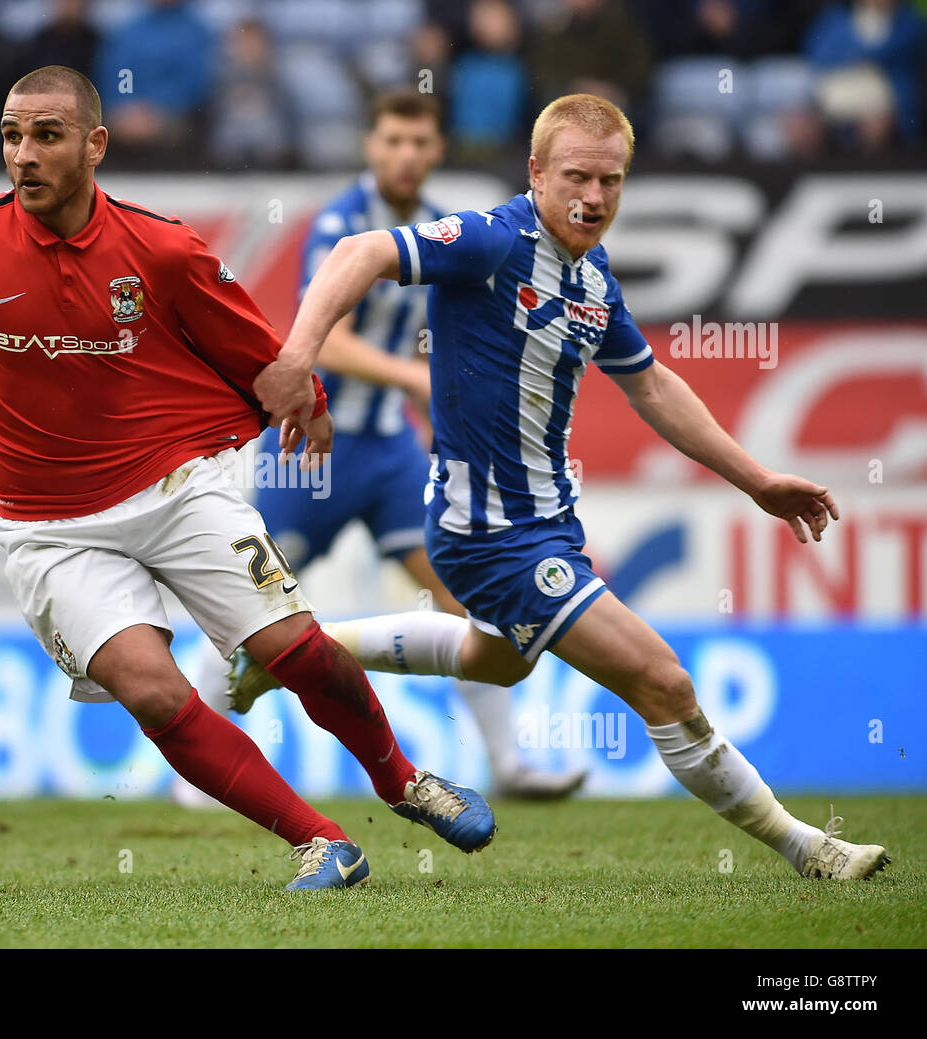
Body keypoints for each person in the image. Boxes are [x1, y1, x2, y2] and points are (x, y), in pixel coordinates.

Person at [251, 93, 889, 881]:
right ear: (536, 174)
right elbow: (358, 253)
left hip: (547, 525)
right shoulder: (491, 239)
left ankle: (302, 649)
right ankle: (808, 848)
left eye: (611, 181)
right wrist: (296, 358)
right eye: (578, 177)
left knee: (502, 659)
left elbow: (651, 385)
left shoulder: (592, 278)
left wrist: (757, 480)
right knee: (664, 680)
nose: (594, 197)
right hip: (489, 534)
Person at [0, 65, 496, 891]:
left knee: (296, 650)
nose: (24, 155)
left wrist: (309, 396)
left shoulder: (161, 246)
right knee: (152, 692)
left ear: (95, 144)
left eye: (46, 135)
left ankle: (403, 778)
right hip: (48, 527)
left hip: (176, 488)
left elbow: (251, 347)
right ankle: (321, 841)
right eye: (11, 135)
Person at [202, 88, 585, 802]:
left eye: (418, 142)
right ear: (370, 147)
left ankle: (508, 762)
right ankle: (200, 774)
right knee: (250, 600)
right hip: (313, 447)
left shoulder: (440, 230)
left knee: (457, 595)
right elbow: (333, 340)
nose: (405, 155)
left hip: (390, 453)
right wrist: (414, 374)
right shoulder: (342, 224)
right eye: (391, 141)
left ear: (437, 149)